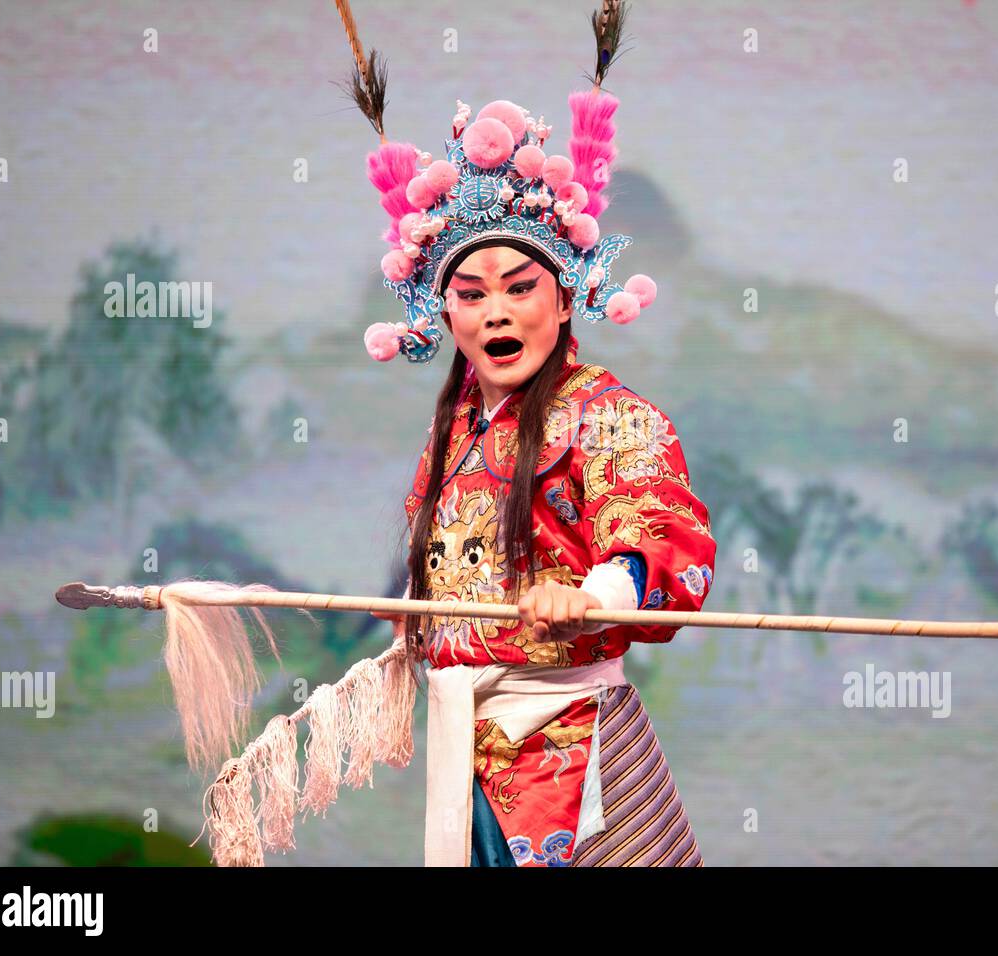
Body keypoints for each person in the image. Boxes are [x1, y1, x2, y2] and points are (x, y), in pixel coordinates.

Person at [349, 7, 712, 867]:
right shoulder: (455, 430)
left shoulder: (610, 413)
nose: (498, 311)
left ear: (563, 297)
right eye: (471, 295)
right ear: (445, 313)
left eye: (518, 287)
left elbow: (662, 534)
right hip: (470, 743)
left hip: (570, 748)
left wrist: (599, 589)